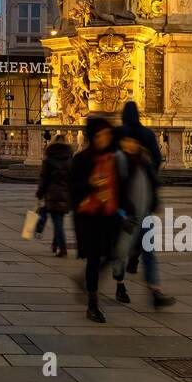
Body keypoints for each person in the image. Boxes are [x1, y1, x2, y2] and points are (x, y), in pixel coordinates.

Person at [69, 116, 122, 323]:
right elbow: (73, 189)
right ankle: (93, 303)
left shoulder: (113, 158)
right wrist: (90, 184)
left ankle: (85, 281)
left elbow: (120, 186)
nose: (103, 139)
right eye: (100, 136)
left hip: (109, 215)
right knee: (93, 258)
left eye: (106, 135)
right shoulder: (81, 160)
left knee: (113, 254)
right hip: (88, 217)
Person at [113, 127, 174, 308]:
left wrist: (154, 201)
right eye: (127, 140)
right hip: (124, 215)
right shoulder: (118, 162)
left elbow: (153, 183)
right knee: (120, 252)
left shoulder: (143, 161)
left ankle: (155, 290)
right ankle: (120, 284)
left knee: (149, 251)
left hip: (144, 214)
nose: (131, 144)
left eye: (133, 141)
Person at [36, 133, 73, 257]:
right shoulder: (69, 159)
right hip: (66, 193)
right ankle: (55, 244)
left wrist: (40, 193)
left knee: (57, 222)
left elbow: (44, 177)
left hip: (52, 193)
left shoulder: (49, 159)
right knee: (59, 220)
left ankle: (62, 247)